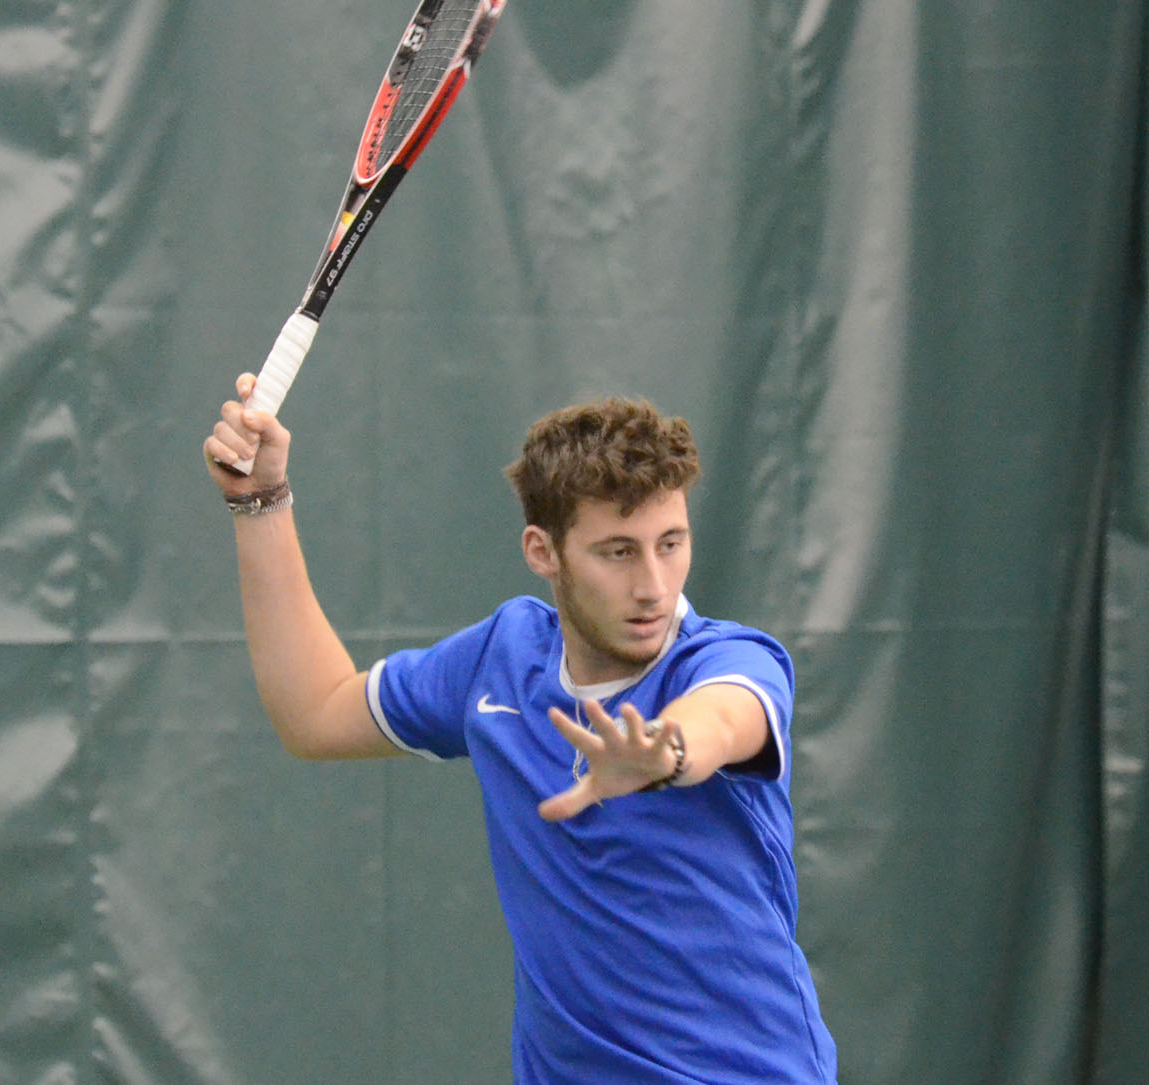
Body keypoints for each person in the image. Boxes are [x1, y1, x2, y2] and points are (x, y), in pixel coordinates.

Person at [203, 375, 837, 1084]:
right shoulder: (499, 662)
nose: (655, 584)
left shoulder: (727, 659)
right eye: (619, 551)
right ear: (543, 551)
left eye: (671, 542)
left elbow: (723, 716)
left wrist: (665, 751)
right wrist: (258, 502)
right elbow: (313, 712)